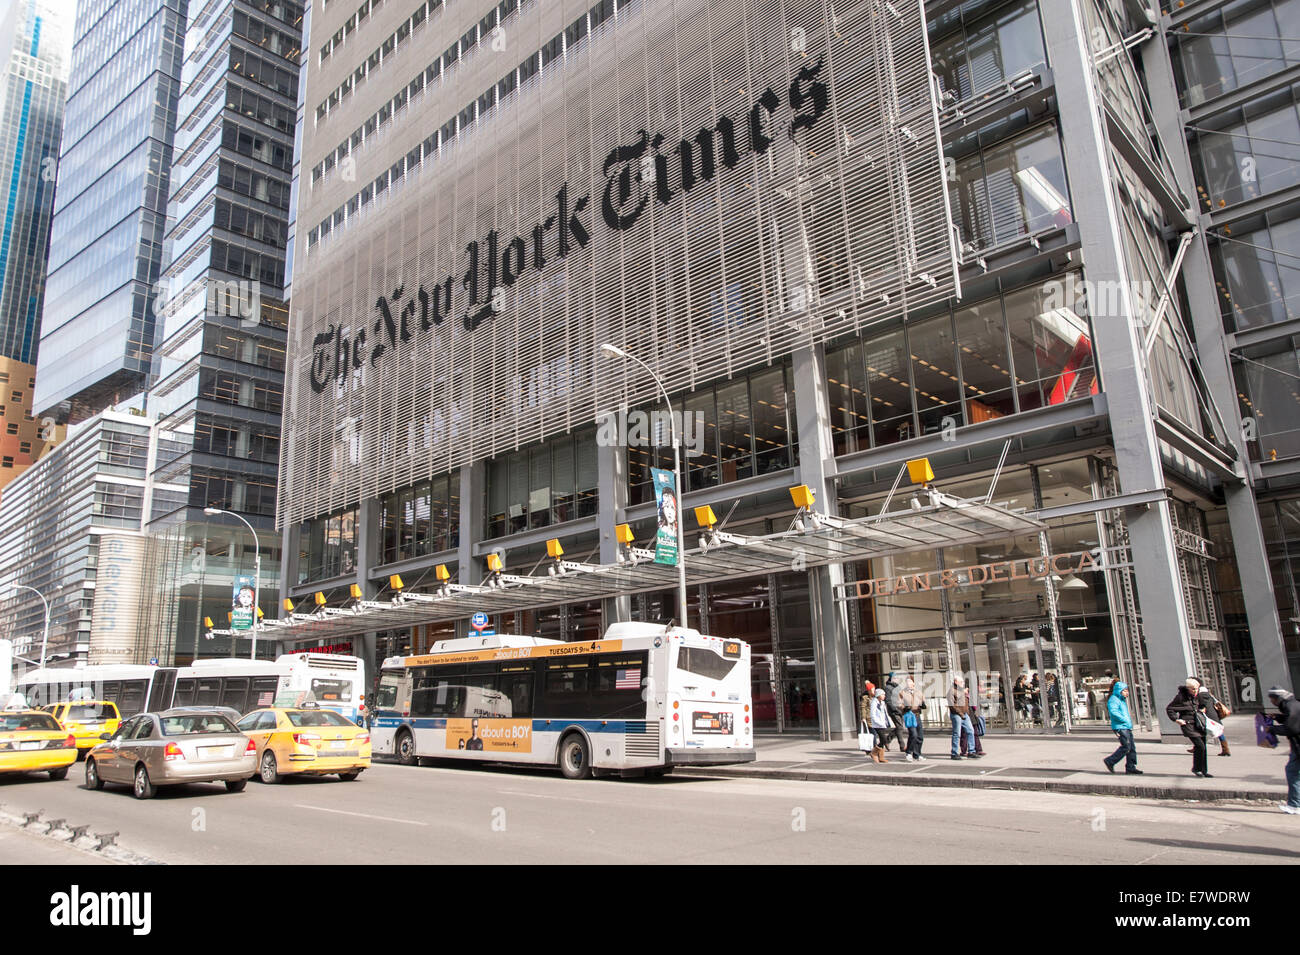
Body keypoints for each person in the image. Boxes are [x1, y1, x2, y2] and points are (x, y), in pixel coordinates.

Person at [1166, 677, 1211, 778]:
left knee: (1203, 747)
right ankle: (1196, 768)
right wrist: (1177, 720)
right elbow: (1170, 709)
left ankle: (1203, 770)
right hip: (1188, 724)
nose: (1196, 691)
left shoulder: (1198, 696)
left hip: (1199, 724)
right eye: (1193, 689)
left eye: (1197, 689)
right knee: (1200, 746)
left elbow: (1201, 706)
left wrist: (1203, 708)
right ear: (1188, 688)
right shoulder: (1181, 697)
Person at [1267, 687, 1300, 814]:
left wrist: (1272, 729)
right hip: (1296, 745)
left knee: (1292, 771)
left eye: (1272, 699)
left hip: (1298, 745)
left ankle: (1295, 805)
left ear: (1278, 698)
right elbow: (1291, 719)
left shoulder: (1290, 706)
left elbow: (1291, 728)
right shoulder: (1292, 704)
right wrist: (1278, 717)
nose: (1271, 702)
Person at [1102, 680, 1142, 775]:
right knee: (1126, 746)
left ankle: (1130, 767)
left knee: (1131, 747)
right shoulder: (1114, 699)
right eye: (1124, 691)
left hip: (1126, 726)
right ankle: (1110, 761)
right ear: (1119, 691)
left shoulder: (1121, 700)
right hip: (1120, 726)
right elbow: (1114, 712)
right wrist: (1124, 719)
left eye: (1127, 690)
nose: (1126, 692)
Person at [946, 676, 979, 760]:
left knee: (970, 731)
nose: (963, 684)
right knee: (957, 733)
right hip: (957, 714)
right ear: (956, 682)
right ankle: (954, 753)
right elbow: (952, 705)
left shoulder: (961, 691)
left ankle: (971, 751)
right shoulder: (952, 691)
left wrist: (967, 712)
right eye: (962, 682)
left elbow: (966, 702)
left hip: (964, 714)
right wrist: (961, 714)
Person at [899, 676, 926, 761]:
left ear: (913, 683)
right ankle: (908, 752)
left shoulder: (918, 692)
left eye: (910, 681)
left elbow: (922, 701)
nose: (908, 683)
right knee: (913, 734)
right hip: (909, 715)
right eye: (907, 682)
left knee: (920, 736)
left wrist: (923, 704)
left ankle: (917, 754)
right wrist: (904, 708)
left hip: (917, 714)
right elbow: (899, 703)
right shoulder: (902, 692)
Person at [868, 688, 894, 763]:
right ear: (878, 695)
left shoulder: (882, 703)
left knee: (882, 740)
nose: (884, 696)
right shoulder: (874, 702)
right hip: (877, 725)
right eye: (883, 694)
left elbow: (884, 714)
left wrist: (887, 722)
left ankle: (881, 757)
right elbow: (873, 715)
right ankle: (873, 753)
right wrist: (878, 722)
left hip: (883, 724)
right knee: (884, 740)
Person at [884, 672, 906, 753]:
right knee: (900, 727)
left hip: (900, 709)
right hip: (893, 711)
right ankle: (902, 746)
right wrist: (895, 709)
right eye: (896, 678)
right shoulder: (888, 688)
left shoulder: (898, 687)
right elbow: (888, 701)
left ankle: (887, 740)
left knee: (899, 727)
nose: (897, 679)